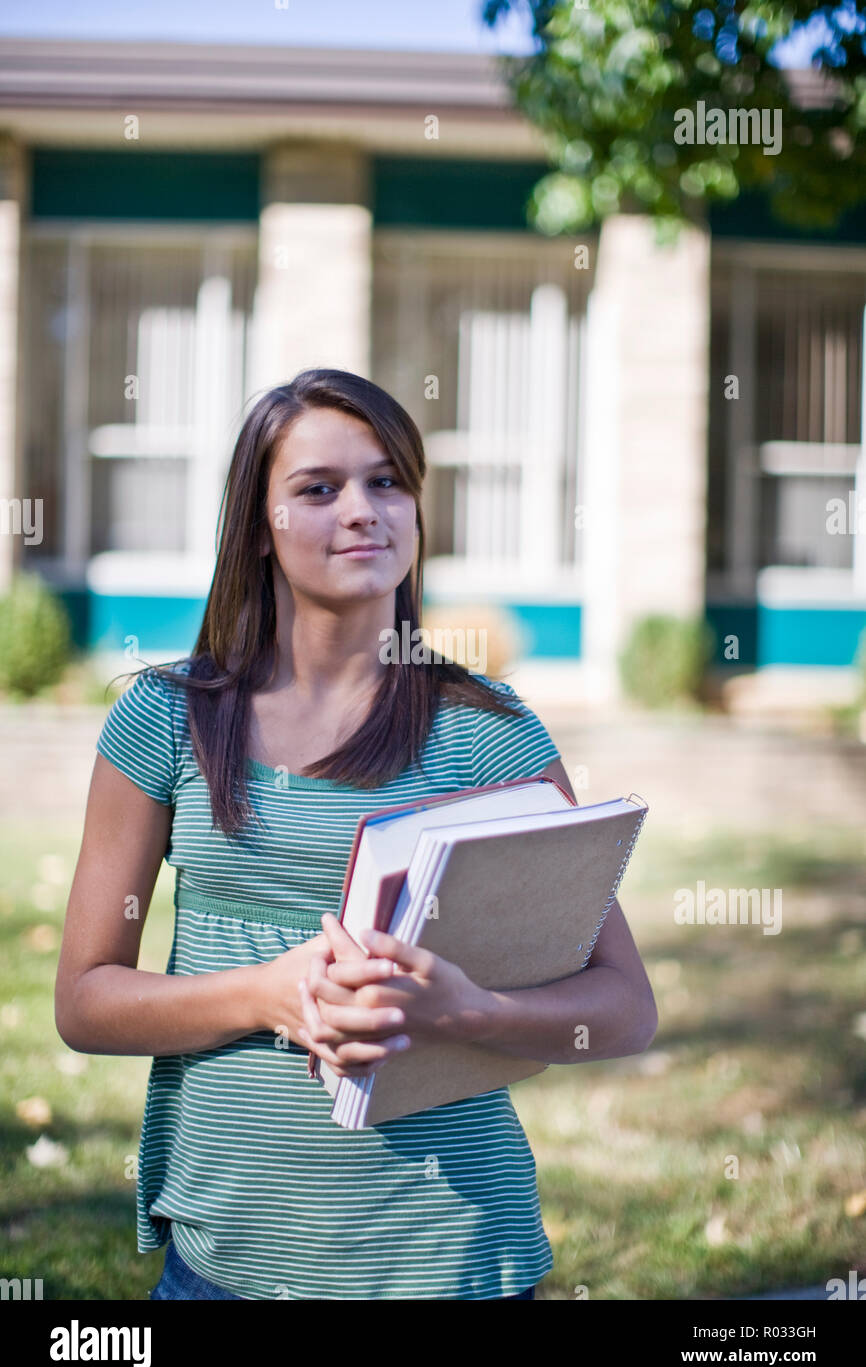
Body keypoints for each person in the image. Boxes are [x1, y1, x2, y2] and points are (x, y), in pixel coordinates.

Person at [55, 368, 657, 1300]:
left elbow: (622, 1008)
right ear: (261, 526)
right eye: (318, 488)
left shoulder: (491, 732)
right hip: (227, 1262)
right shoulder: (166, 719)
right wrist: (271, 995)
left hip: (454, 1260)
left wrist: (466, 1013)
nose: (363, 511)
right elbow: (86, 1002)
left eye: (388, 482)